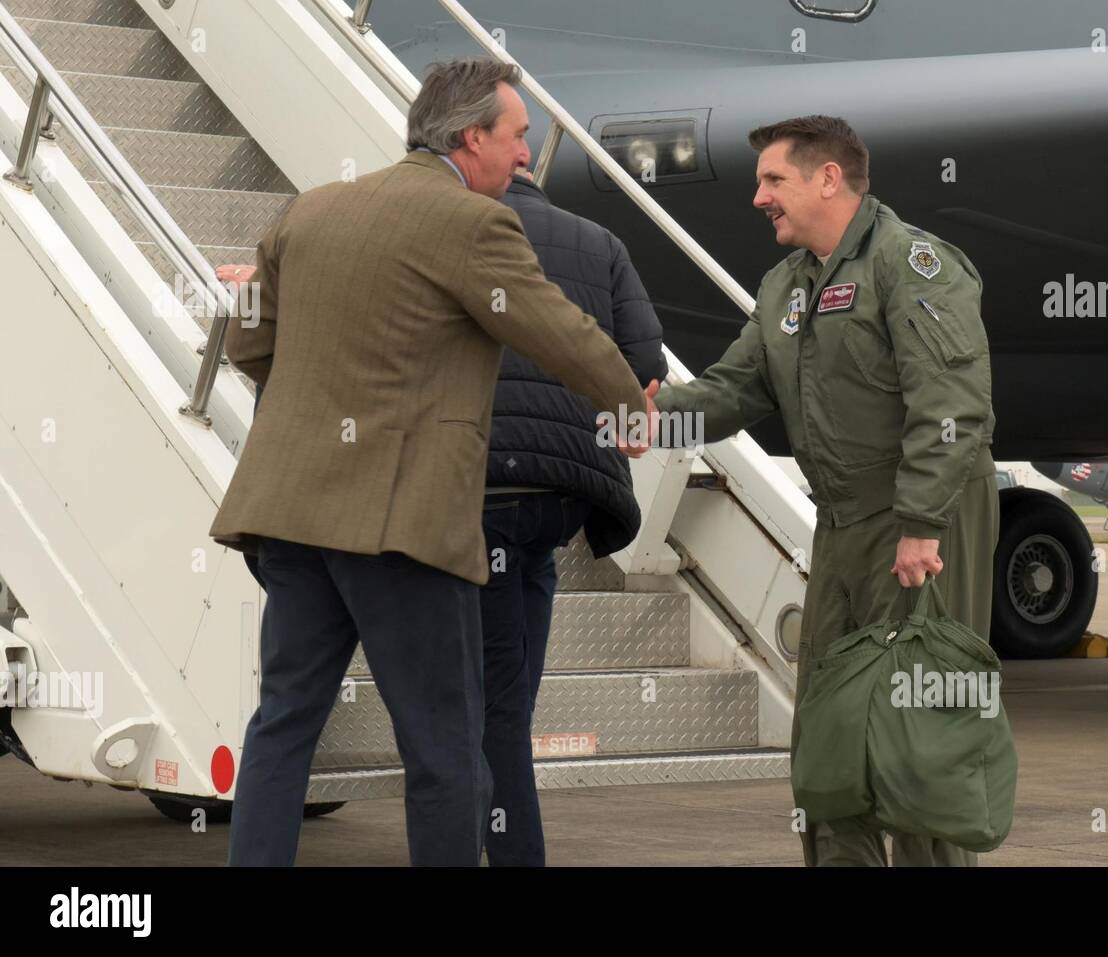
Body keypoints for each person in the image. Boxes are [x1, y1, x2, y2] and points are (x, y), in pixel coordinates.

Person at [208, 57, 658, 866]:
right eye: (517, 136)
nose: (525, 154)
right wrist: (627, 404)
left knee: (281, 727)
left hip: (291, 516)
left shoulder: (312, 208)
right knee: (445, 748)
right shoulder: (474, 224)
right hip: (399, 527)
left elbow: (247, 340)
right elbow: (560, 330)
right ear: (472, 137)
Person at [652, 115, 998, 867]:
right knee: (828, 736)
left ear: (829, 179)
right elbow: (733, 390)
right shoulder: (787, 285)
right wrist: (648, 416)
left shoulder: (910, 263)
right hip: (842, 524)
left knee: (917, 735)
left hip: (924, 519)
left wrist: (921, 522)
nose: (759, 198)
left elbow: (951, 403)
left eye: (773, 180)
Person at [480, 168, 667, 866]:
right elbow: (644, 362)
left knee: (492, 706)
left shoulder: (456, 227)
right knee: (511, 689)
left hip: (480, 490)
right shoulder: (598, 240)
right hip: (561, 496)